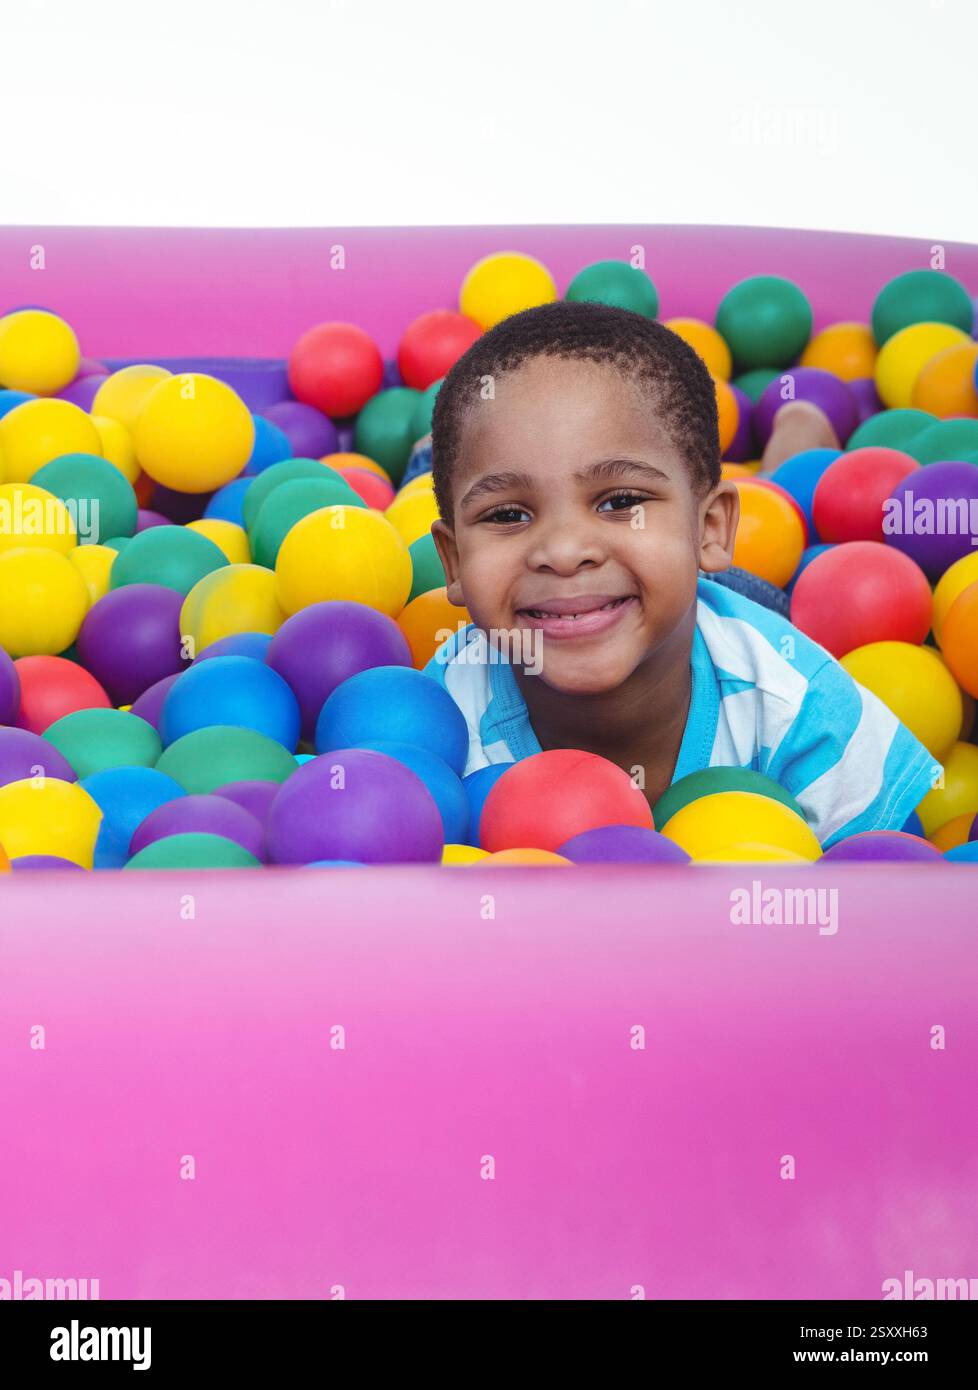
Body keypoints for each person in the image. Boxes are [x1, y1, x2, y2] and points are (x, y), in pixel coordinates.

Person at [422, 300, 934, 847]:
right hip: (638, 596)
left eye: (620, 501)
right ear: (452, 563)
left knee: (787, 507)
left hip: (726, 599)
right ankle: (420, 458)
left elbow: (894, 879)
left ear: (711, 527)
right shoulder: (444, 720)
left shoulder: (799, 704)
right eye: (508, 514)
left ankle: (799, 422)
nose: (565, 552)